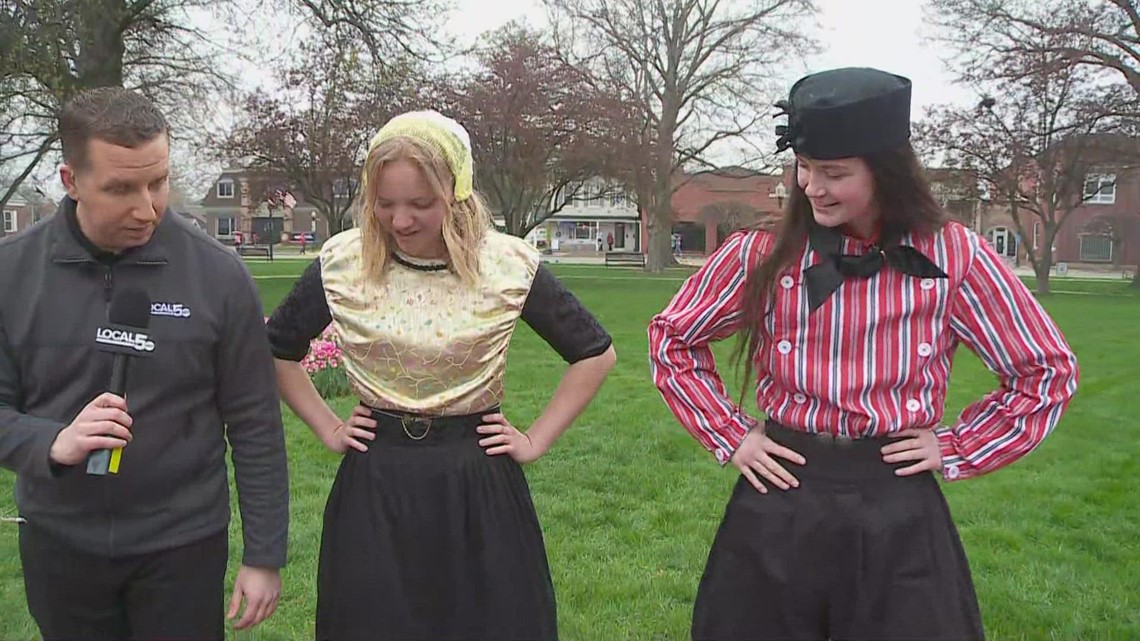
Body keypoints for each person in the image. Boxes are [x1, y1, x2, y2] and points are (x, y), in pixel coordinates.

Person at [648, 67, 1079, 641]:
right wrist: (731, 435)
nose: (812, 187)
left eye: (834, 173)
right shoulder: (764, 252)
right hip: (781, 496)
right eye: (804, 166)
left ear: (887, 172)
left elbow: (1046, 370)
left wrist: (956, 445)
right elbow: (673, 337)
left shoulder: (954, 255)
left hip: (896, 506)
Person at [266, 109, 616, 641]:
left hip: (476, 482)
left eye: (420, 204)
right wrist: (328, 426)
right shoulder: (343, 264)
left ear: (457, 192)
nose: (400, 220)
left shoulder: (505, 266)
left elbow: (594, 353)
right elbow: (276, 351)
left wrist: (535, 439)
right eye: (385, 203)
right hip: (376, 484)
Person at [0, 87, 289, 641]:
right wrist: (51, 442)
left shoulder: (218, 275)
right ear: (70, 181)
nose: (147, 207)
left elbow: (255, 422)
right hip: (60, 542)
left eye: (158, 182)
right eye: (121, 189)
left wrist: (264, 554)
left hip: (182, 544)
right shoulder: (12, 275)